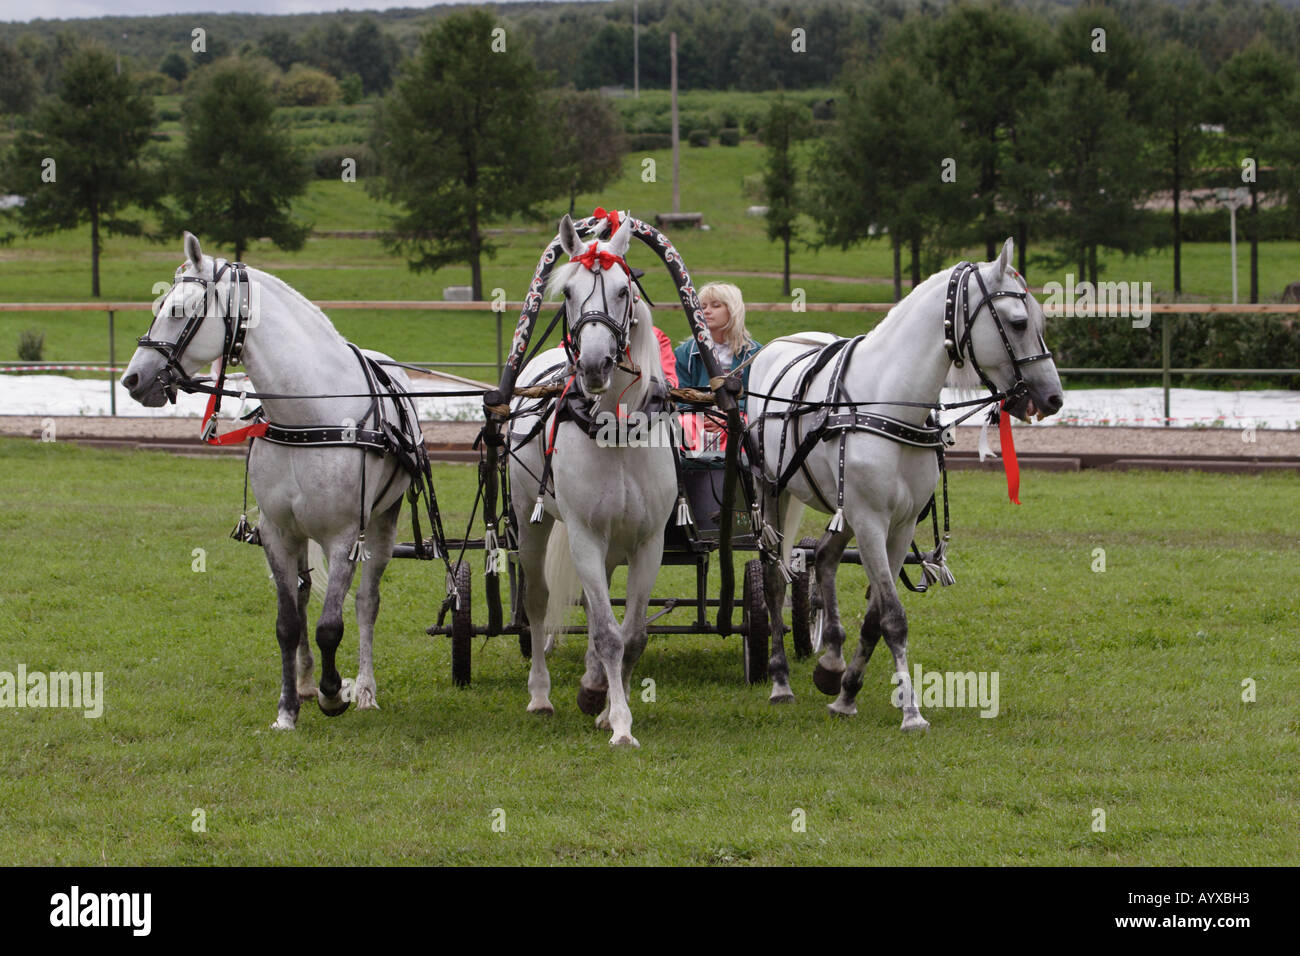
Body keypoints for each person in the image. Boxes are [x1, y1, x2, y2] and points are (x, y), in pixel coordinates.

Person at [673, 281, 761, 445]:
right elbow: (680, 397)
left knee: (748, 429)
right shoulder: (685, 353)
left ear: (732, 310)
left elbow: (760, 400)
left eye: (715, 305)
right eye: (703, 306)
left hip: (741, 417)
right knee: (684, 424)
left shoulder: (755, 354)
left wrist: (729, 417)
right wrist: (706, 417)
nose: (706, 311)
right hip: (698, 419)